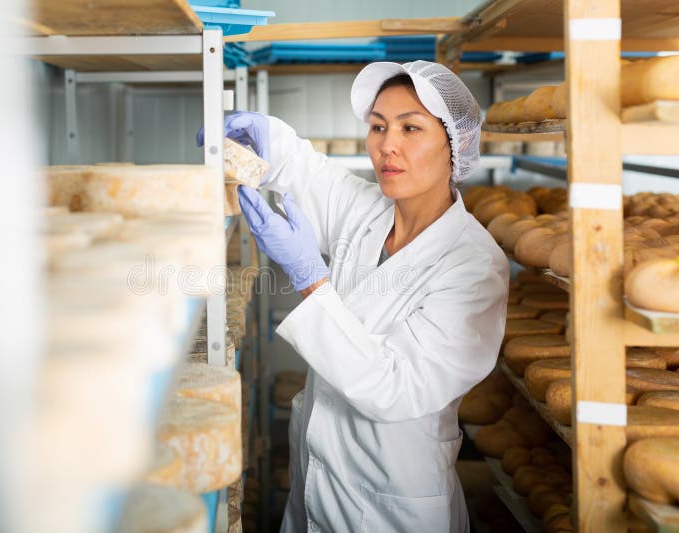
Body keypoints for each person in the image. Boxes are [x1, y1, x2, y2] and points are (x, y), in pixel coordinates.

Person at [199, 60, 508, 532]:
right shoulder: (369, 210)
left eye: (411, 128)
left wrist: (310, 280)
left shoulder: (474, 266)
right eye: (378, 126)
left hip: (392, 504)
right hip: (316, 483)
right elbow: (309, 173)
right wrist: (266, 136)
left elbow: (394, 387)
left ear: (456, 144)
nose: (388, 145)